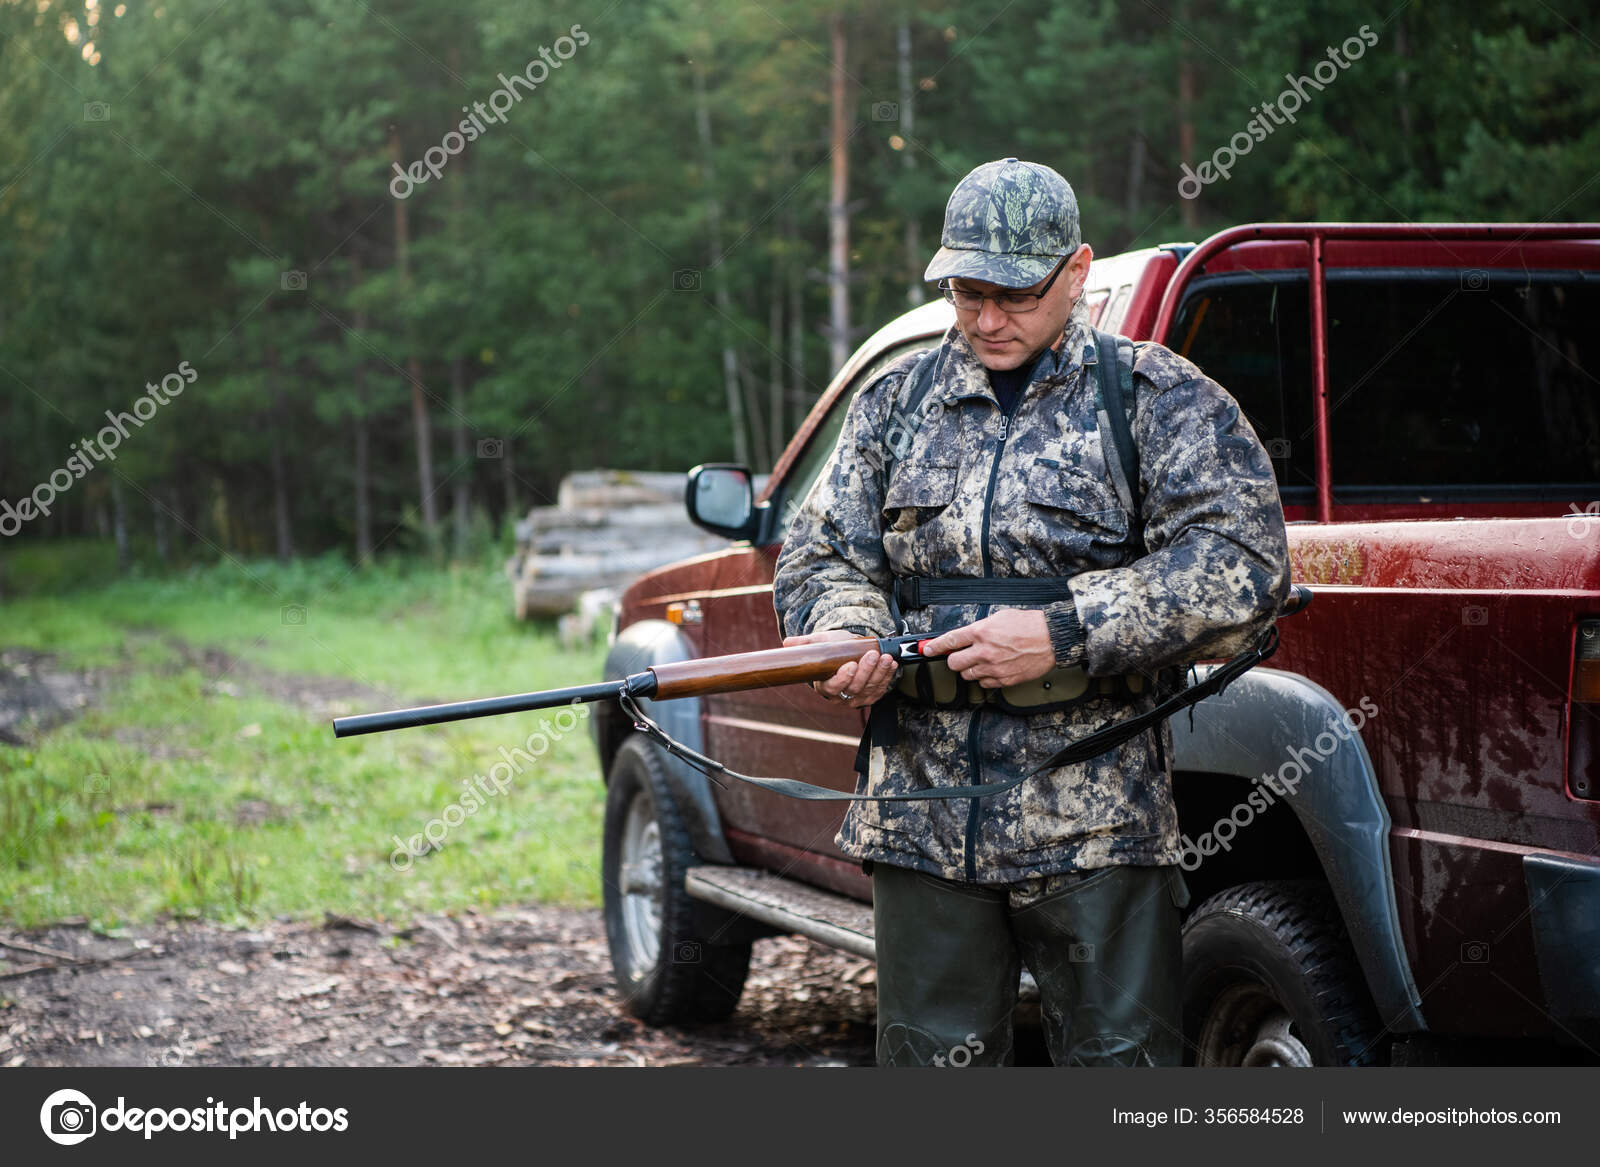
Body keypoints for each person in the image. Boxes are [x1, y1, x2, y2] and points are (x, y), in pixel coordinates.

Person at [771, 158, 1290, 1066]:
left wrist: (1064, 630)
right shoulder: (895, 404)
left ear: (1078, 270)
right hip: (922, 822)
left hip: (1095, 826)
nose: (984, 318)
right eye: (965, 292)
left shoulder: (1155, 401)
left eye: (1012, 293)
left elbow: (1242, 566)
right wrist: (847, 629)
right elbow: (820, 551)